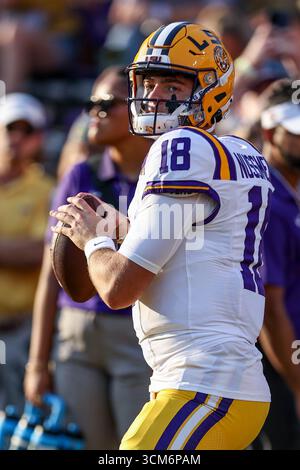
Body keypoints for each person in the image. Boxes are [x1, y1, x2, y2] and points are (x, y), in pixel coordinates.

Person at [50, 23, 273, 450]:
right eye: (148, 82)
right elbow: (190, 247)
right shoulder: (240, 152)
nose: (153, 96)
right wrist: (125, 230)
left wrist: (94, 239)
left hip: (204, 386)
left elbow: (118, 288)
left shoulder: (182, 149)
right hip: (216, 386)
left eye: (172, 84)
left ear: (212, 91)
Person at [24, 66, 151, 450]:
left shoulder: (166, 179)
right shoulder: (80, 174)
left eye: (107, 103)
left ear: (142, 110)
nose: (94, 112)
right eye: (91, 103)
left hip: (138, 334)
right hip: (76, 337)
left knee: (137, 450)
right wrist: (37, 362)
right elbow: (51, 274)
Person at [0, 93, 53, 412]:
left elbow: (36, 252)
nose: (16, 138)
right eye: (10, 129)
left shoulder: (46, 189)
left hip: (20, 331)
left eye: (26, 130)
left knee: (17, 423)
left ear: (39, 138)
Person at [258, 78, 300, 449]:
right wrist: (298, 384)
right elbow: (271, 310)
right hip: (274, 364)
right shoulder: (266, 198)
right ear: (270, 131)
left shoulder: (291, 188)